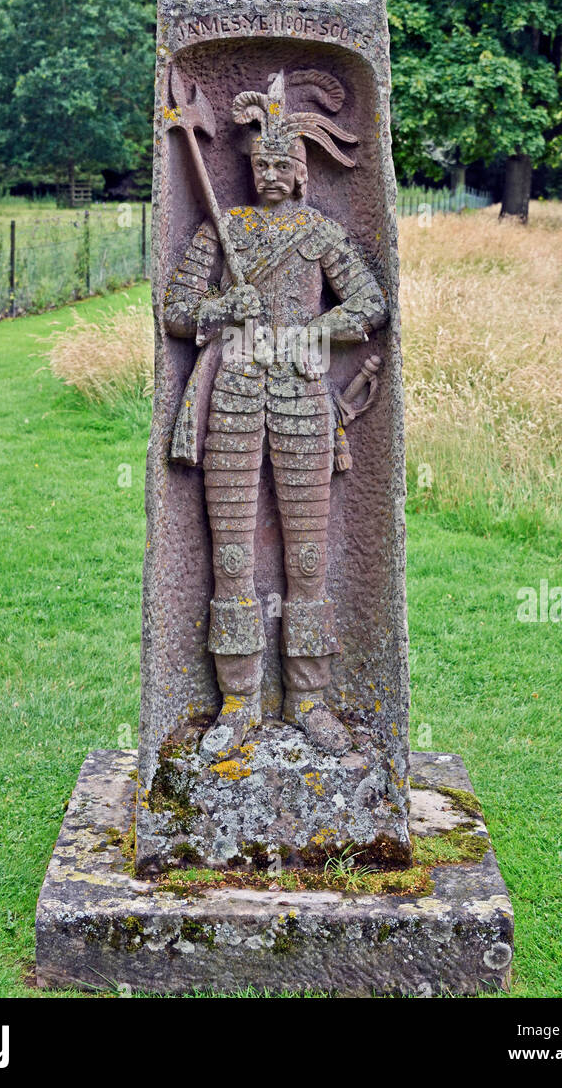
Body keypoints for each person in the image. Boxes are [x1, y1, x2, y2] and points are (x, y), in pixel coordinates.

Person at [164, 71, 387, 756]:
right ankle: (236, 701)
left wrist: (309, 333)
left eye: (281, 164)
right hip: (231, 396)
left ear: (299, 171)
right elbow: (175, 310)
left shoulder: (318, 234)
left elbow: (368, 306)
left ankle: (309, 698)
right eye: (259, 163)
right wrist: (222, 309)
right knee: (231, 555)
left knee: (307, 557)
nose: (269, 174)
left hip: (298, 396)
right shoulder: (219, 229)